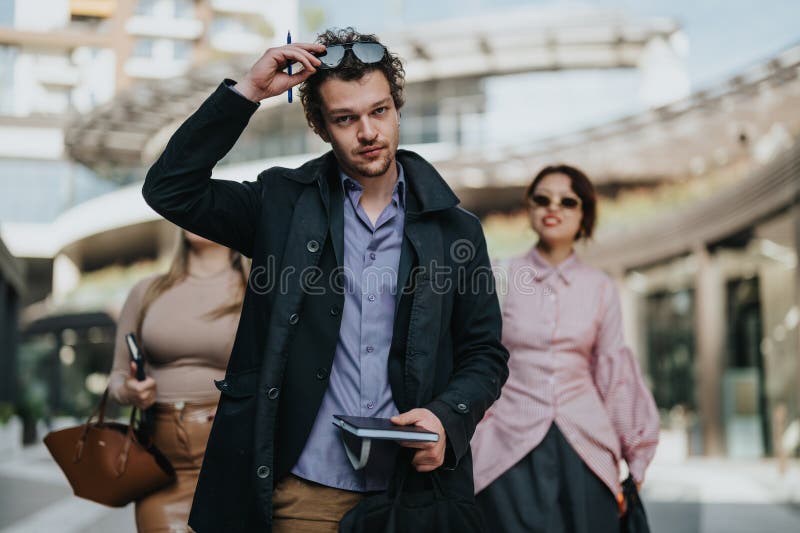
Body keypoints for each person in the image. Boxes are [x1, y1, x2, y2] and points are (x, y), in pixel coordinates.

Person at [141, 27, 509, 533]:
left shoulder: (455, 230)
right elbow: (170, 189)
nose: (368, 132)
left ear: (397, 108)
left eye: (379, 111)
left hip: (413, 496)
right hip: (304, 491)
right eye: (346, 118)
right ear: (319, 126)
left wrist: (449, 416)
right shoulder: (280, 203)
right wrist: (247, 92)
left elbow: (485, 353)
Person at [471, 165, 660, 533]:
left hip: (586, 447)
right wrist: (478, 431)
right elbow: (475, 362)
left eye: (567, 201)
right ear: (530, 208)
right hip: (507, 449)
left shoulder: (600, 287)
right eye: (542, 199)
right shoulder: (499, 276)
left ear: (584, 214)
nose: (552, 207)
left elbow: (614, 375)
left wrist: (636, 459)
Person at [109, 229, 247, 532]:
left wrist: (243, 404)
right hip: (162, 468)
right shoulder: (147, 291)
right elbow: (116, 377)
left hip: (232, 462)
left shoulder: (255, 289)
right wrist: (129, 390)